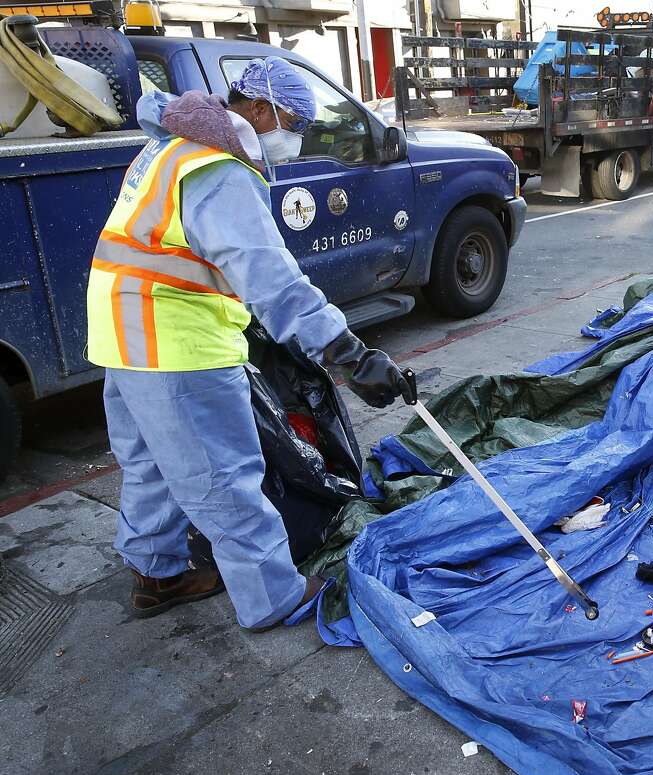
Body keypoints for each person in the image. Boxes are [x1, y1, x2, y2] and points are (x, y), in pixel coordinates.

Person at [85, 57, 415, 630]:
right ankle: (272, 596)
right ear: (259, 108)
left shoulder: (168, 149)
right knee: (223, 475)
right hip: (177, 343)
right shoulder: (217, 169)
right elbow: (271, 279)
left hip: (121, 336)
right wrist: (347, 353)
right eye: (293, 123)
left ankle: (157, 574)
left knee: (150, 464)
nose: (294, 138)